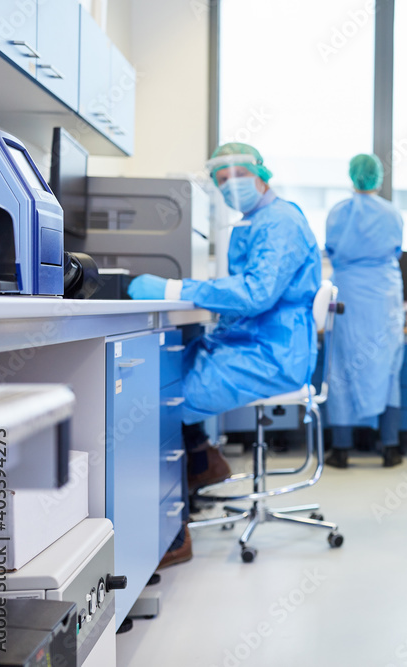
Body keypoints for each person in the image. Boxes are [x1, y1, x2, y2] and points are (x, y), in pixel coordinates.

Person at [129, 142, 322, 566]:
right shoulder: (258, 221)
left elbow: (256, 293)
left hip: (274, 355)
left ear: (261, 174)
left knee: (165, 399)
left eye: (236, 176)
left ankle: (173, 535)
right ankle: (202, 461)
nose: (229, 186)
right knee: (172, 367)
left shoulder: (281, 223)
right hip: (251, 343)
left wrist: (176, 289)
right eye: (221, 182)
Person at [323, 154, 405, 469]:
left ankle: (341, 449)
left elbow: (331, 250)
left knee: (342, 366)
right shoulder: (392, 214)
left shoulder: (337, 213)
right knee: (386, 366)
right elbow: (396, 251)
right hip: (383, 296)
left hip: (347, 296)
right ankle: (391, 447)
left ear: (351, 176)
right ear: (378, 178)